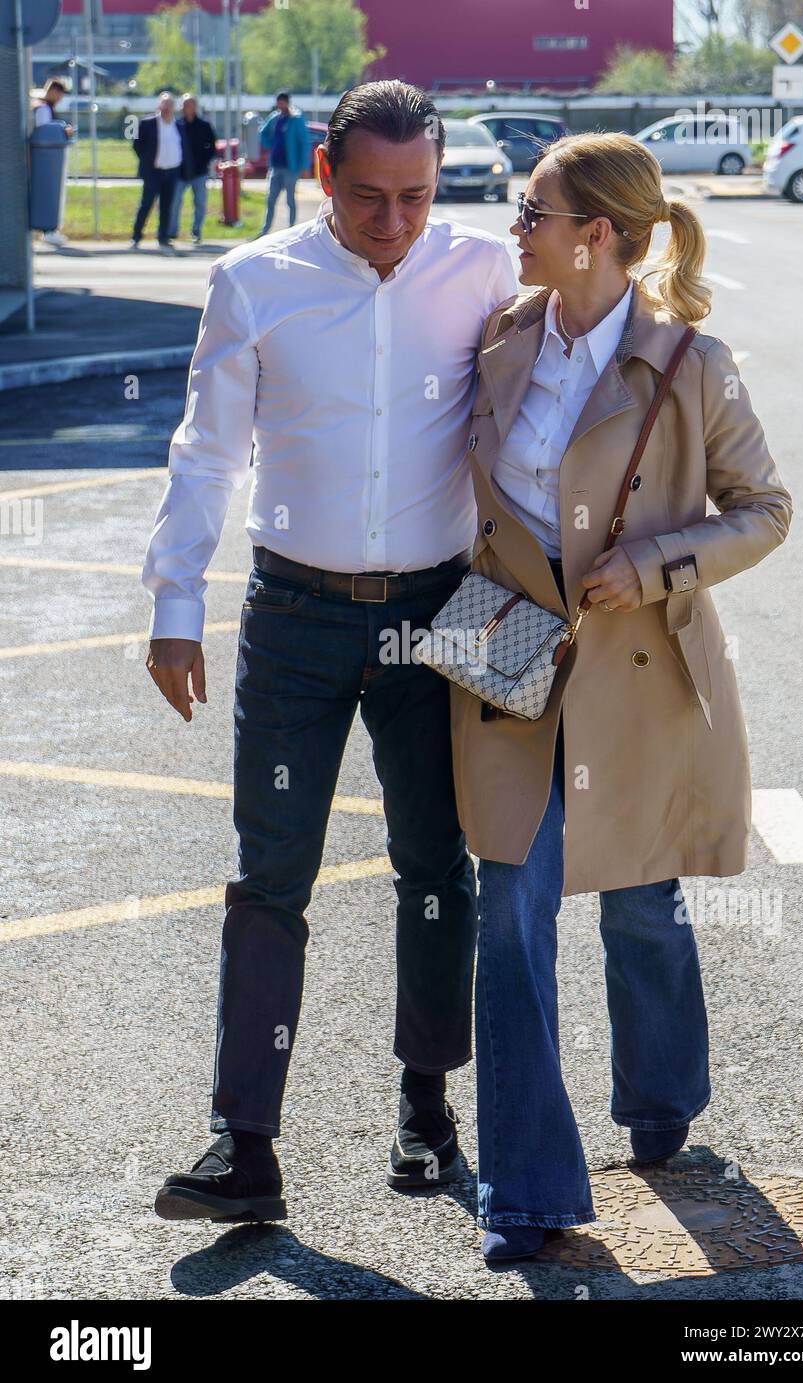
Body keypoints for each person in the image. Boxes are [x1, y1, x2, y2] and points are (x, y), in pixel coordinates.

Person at [142, 80, 517, 1223]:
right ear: (321, 176)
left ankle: (426, 1112)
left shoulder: (484, 270)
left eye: (415, 197)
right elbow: (207, 451)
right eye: (366, 198)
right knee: (270, 875)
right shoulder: (253, 281)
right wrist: (173, 602)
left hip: (439, 610)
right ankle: (243, 1145)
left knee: (436, 868)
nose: (392, 222)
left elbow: (553, 409)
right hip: (293, 616)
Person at [446, 132, 793, 1263]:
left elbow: (765, 508)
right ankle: (526, 1191)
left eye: (532, 210)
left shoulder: (692, 362)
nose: (515, 226)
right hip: (507, 641)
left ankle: (660, 1101)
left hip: (635, 657)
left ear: (594, 234)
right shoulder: (499, 336)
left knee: (642, 899)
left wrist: (652, 565)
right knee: (509, 904)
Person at [131, 92, 183, 252]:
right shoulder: (147, 123)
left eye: (169, 105)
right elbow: (137, 145)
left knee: (167, 206)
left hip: (172, 172)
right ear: (158, 105)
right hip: (153, 172)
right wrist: (147, 161)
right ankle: (136, 236)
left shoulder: (178, 125)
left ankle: (163, 237)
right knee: (146, 204)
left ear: (174, 108)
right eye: (164, 104)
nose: (166, 108)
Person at [257, 91, 309, 235]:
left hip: (290, 167)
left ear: (287, 102)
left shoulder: (296, 119)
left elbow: (304, 142)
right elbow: (263, 132)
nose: (280, 105)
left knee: (290, 199)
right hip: (276, 165)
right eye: (278, 102)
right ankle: (265, 229)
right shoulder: (275, 118)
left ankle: (291, 228)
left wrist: (304, 165)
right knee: (271, 199)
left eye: (282, 102)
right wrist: (269, 144)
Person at [168, 93, 215, 244]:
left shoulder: (204, 125)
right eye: (185, 105)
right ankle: (172, 231)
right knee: (174, 202)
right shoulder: (176, 126)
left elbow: (212, 146)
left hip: (199, 172)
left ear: (195, 107)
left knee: (200, 203)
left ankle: (196, 231)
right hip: (179, 172)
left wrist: (204, 161)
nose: (188, 108)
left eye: (190, 105)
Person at [31, 79, 73, 248]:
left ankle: (48, 230)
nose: (61, 98)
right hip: (45, 159)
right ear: (54, 91)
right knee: (47, 191)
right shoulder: (44, 108)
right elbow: (45, 131)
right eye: (60, 94)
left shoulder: (40, 105)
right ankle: (48, 231)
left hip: (43, 158)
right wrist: (63, 131)